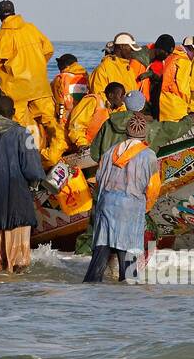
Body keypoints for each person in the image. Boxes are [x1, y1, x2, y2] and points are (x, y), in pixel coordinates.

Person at [0, 0, 65, 167]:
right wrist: (37, 66)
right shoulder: (31, 28)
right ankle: (56, 153)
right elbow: (49, 49)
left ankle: (30, 160)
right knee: (49, 121)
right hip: (39, 86)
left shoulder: (3, 36)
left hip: (16, 91)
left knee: (22, 128)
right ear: (14, 12)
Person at [83, 112, 161, 283]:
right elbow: (153, 188)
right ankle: (125, 306)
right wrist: (145, 208)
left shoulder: (110, 152)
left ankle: (86, 303)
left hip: (106, 205)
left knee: (97, 264)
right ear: (144, 135)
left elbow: (99, 181)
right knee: (128, 273)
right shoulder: (149, 156)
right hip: (130, 210)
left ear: (126, 134)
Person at [0, 95, 46, 274]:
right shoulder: (24, 134)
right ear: (13, 113)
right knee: (19, 261)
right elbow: (34, 169)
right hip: (18, 200)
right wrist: (39, 182)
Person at [67, 81, 126, 153]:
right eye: (121, 96)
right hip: (83, 146)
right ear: (111, 95)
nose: (123, 98)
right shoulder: (93, 101)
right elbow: (76, 125)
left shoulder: (119, 108)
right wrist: (82, 144)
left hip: (102, 147)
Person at [88, 32, 145, 97]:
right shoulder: (102, 69)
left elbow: (133, 94)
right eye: (131, 49)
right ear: (122, 46)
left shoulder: (128, 69)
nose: (133, 52)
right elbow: (99, 98)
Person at [157, 36, 194, 122]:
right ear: (189, 48)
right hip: (172, 102)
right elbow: (183, 88)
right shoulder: (185, 61)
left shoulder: (171, 56)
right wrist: (189, 106)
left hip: (159, 97)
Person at [51, 54, 89, 121]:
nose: (58, 66)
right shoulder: (86, 77)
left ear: (65, 65)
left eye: (59, 64)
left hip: (64, 119)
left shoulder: (60, 79)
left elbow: (55, 100)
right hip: (81, 118)